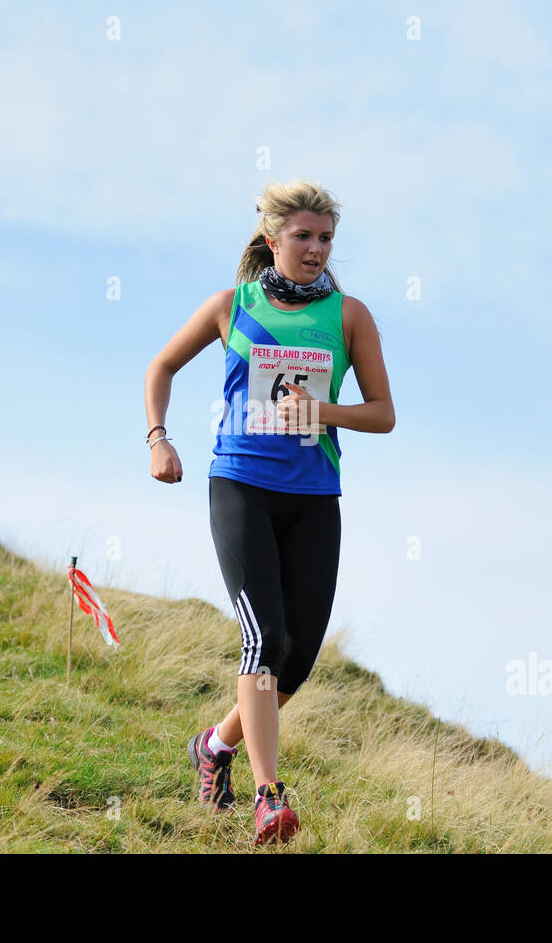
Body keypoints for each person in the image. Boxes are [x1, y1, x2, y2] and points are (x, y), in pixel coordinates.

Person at [143, 180, 394, 845]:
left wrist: (324, 413)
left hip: (314, 497)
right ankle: (267, 794)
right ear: (271, 240)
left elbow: (383, 414)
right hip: (242, 486)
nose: (316, 249)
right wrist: (158, 438)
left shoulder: (348, 317)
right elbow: (161, 365)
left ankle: (213, 746)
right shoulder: (234, 305)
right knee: (266, 642)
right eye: (304, 237)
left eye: (326, 239)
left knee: (299, 662)